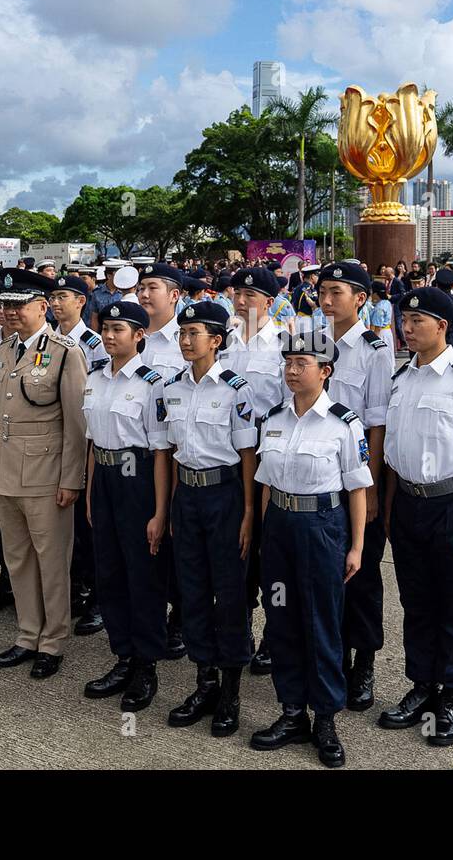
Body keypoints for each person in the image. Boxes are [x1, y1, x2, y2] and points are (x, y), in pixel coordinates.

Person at [379, 287, 453, 748]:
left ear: (442, 326)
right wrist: (390, 507)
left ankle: (452, 694)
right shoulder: (401, 379)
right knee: (417, 600)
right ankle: (422, 684)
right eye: (403, 320)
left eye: (416, 321)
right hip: (408, 504)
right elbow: (393, 454)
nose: (406, 329)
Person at [249, 330, 370, 768]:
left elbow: (357, 489)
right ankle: (291, 712)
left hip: (323, 528)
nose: (293, 371)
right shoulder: (275, 418)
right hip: (280, 526)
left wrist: (356, 546)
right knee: (281, 619)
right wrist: (264, 536)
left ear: (326, 371)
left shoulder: (344, 423)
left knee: (321, 623)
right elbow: (264, 484)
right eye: (289, 363)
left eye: (303, 363)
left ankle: (325, 719)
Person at [0, 269, 88, 680]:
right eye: (4, 305)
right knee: (18, 558)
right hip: (8, 472)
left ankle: (53, 640)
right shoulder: (4, 349)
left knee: (51, 560)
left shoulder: (65, 352)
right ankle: (27, 634)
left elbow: (76, 422)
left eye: (18, 305)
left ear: (42, 307)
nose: (9, 313)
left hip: (46, 473)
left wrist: (71, 479)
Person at [162, 301, 258, 736]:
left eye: (193, 334)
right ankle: (205, 682)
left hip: (226, 497)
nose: (185, 341)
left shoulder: (236, 390)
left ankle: (231, 689)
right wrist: (166, 509)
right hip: (188, 495)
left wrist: (249, 513)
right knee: (193, 591)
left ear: (216, 341)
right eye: (182, 334)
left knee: (230, 591)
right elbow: (167, 452)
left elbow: (247, 456)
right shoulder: (172, 388)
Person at [82, 301, 172, 711]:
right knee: (110, 573)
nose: (110, 335)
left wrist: (158, 511)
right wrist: (89, 494)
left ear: (140, 336)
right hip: (103, 479)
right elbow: (91, 442)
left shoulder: (153, 383)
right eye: (106, 328)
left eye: (119, 329)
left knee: (144, 575)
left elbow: (160, 450)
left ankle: (146, 664)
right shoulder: (94, 377)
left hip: (138, 479)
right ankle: (122, 657)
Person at [316, 261, 392, 711]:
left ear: (360, 298)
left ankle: (363, 662)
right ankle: (333, 657)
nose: (326, 300)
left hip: (356, 477)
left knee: (360, 575)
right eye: (322, 291)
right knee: (327, 573)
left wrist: (372, 486)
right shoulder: (314, 340)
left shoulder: (373, 349)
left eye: (336, 292)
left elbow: (377, 424)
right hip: (318, 474)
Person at [218, 266, 285, 674]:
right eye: (237, 295)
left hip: (267, 460)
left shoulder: (282, 345)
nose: (241, 303)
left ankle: (274, 637)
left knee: (269, 555)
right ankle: (239, 628)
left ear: (269, 301)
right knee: (235, 551)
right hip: (227, 459)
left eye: (250, 296)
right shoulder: (224, 343)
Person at [48, 273, 108, 636]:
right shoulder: (48, 339)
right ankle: (73, 587)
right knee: (63, 520)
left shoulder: (94, 342)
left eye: (64, 297)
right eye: (52, 297)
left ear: (81, 301)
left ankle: (96, 596)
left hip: (85, 437)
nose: (56, 303)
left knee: (89, 524)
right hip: (54, 437)